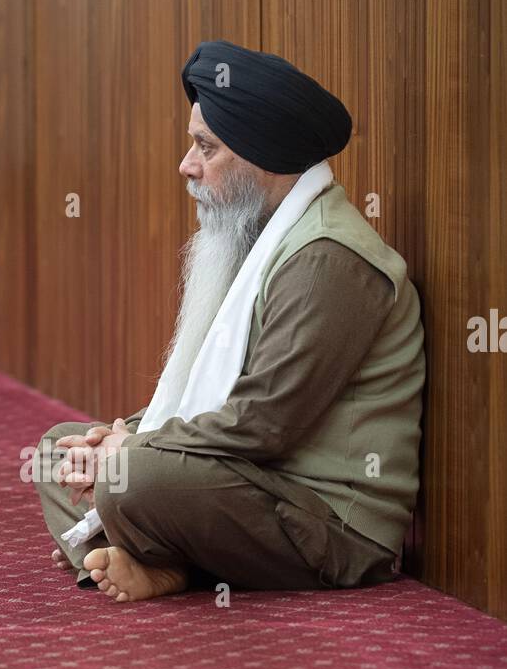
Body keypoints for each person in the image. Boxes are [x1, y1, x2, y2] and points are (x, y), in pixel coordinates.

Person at [33, 40, 425, 604]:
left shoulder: (327, 259)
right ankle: (136, 555)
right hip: (251, 486)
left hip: (329, 524)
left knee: (135, 479)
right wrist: (123, 435)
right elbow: (211, 400)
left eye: (204, 147)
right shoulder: (264, 240)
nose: (186, 165)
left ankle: (154, 559)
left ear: (259, 154)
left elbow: (263, 423)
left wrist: (132, 451)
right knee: (59, 449)